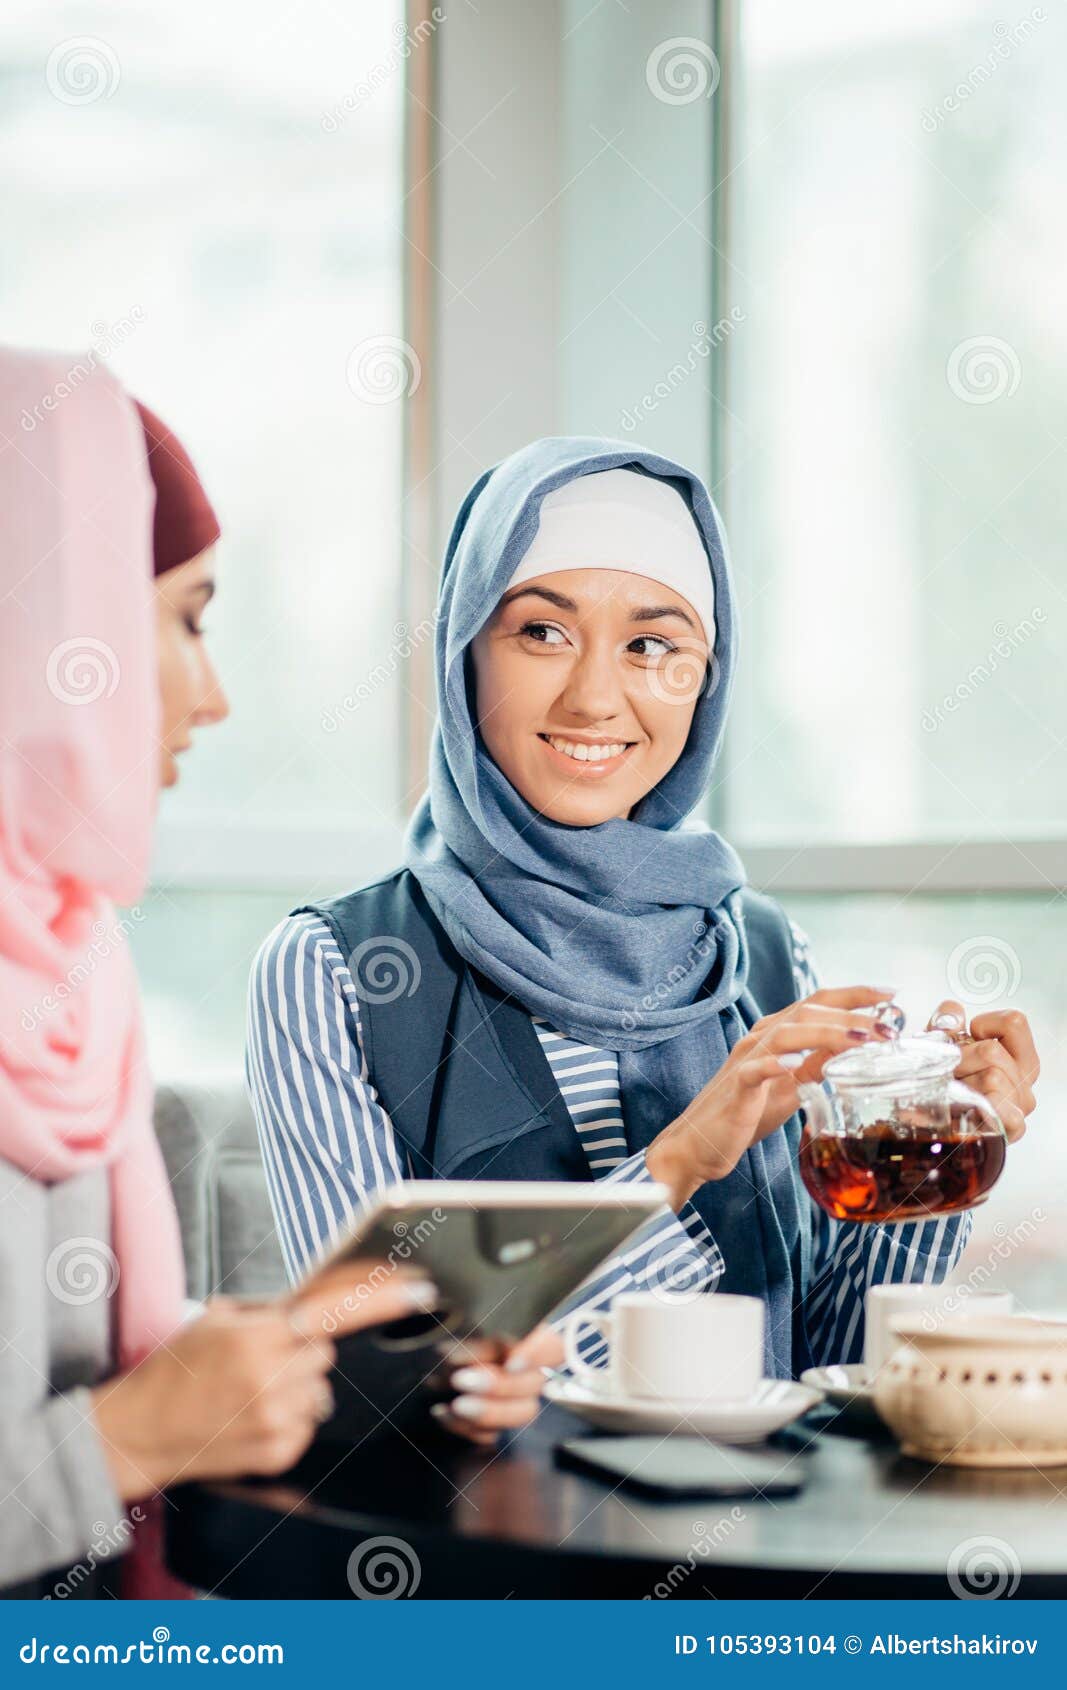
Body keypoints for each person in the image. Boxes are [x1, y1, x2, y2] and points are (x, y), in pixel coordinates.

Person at [247, 441, 1039, 1387]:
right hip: (495, 1493)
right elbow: (379, 1379)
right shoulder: (333, 970)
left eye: (653, 646)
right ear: (464, 655)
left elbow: (823, 1366)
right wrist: (674, 1168)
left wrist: (932, 1158)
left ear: (705, 680)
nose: (593, 698)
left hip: (757, 1491)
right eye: (541, 632)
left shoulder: (760, 954)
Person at [0, 350, 545, 1601]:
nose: (214, 698)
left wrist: (347, 1366)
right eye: (185, 618)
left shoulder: (73, 965)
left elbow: (84, 1385)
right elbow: (108, 1426)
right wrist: (125, 1440)